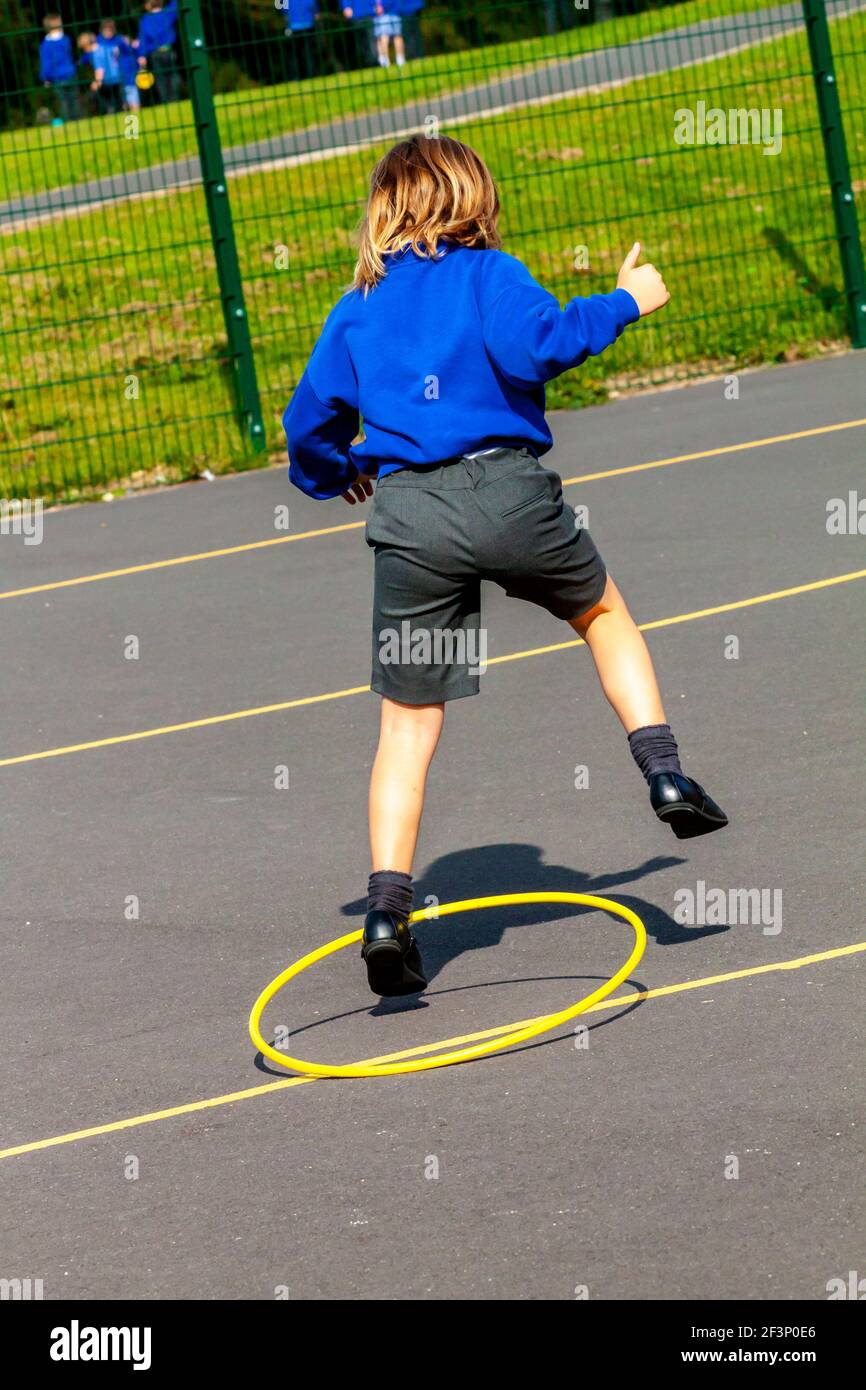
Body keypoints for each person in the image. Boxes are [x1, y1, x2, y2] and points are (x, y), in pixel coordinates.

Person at [284, 135, 727, 999]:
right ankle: (664, 769)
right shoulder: (492, 275)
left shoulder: (358, 305)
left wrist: (339, 469)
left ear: (383, 209)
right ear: (474, 200)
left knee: (407, 728)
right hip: (509, 491)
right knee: (601, 615)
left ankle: (385, 911)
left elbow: (309, 424)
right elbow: (544, 346)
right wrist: (628, 300)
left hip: (411, 518)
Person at [39, 14, 79, 123]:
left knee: (63, 101)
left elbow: (46, 63)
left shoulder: (46, 45)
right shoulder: (66, 40)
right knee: (73, 99)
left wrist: (46, 77)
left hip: (57, 77)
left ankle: (67, 121)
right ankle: (76, 120)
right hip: (70, 74)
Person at [138, 0, 180, 104]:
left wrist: (142, 55)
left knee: (161, 78)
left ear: (148, 5)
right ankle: (174, 98)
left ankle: (166, 100)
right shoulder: (167, 13)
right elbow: (176, 3)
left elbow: (143, 38)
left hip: (155, 53)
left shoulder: (146, 19)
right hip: (168, 50)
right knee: (172, 75)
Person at [89, 20, 126, 115]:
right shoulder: (107, 47)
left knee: (109, 100)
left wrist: (97, 81)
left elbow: (100, 69)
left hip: (109, 79)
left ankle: (110, 110)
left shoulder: (97, 51)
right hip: (114, 77)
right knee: (118, 101)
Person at [284, 0, 319, 83]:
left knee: (295, 54)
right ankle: (310, 75)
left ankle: (295, 77)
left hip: (295, 25)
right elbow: (313, 4)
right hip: (306, 24)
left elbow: (279, 5)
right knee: (307, 52)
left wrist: (286, 13)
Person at [341, 0, 378, 69]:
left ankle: (373, 62)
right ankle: (365, 63)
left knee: (371, 40)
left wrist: (376, 4)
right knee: (360, 43)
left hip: (369, 13)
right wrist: (346, 7)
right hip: (356, 15)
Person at [374, 1, 405, 69]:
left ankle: (391, 60)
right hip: (391, 12)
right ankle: (391, 60)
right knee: (391, 37)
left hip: (388, 12)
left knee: (386, 37)